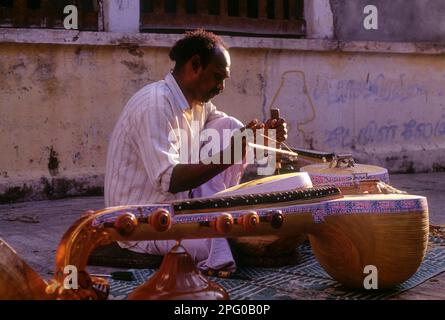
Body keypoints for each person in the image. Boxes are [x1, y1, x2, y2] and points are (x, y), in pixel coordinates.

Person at [104, 29, 287, 273]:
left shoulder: (198, 103)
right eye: (217, 77)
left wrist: (265, 136)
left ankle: (215, 209)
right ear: (195, 65)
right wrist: (228, 157)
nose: (222, 86)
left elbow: (234, 135)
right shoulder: (155, 105)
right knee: (221, 244)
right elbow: (169, 180)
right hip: (142, 222)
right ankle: (214, 226)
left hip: (177, 206)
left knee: (230, 127)